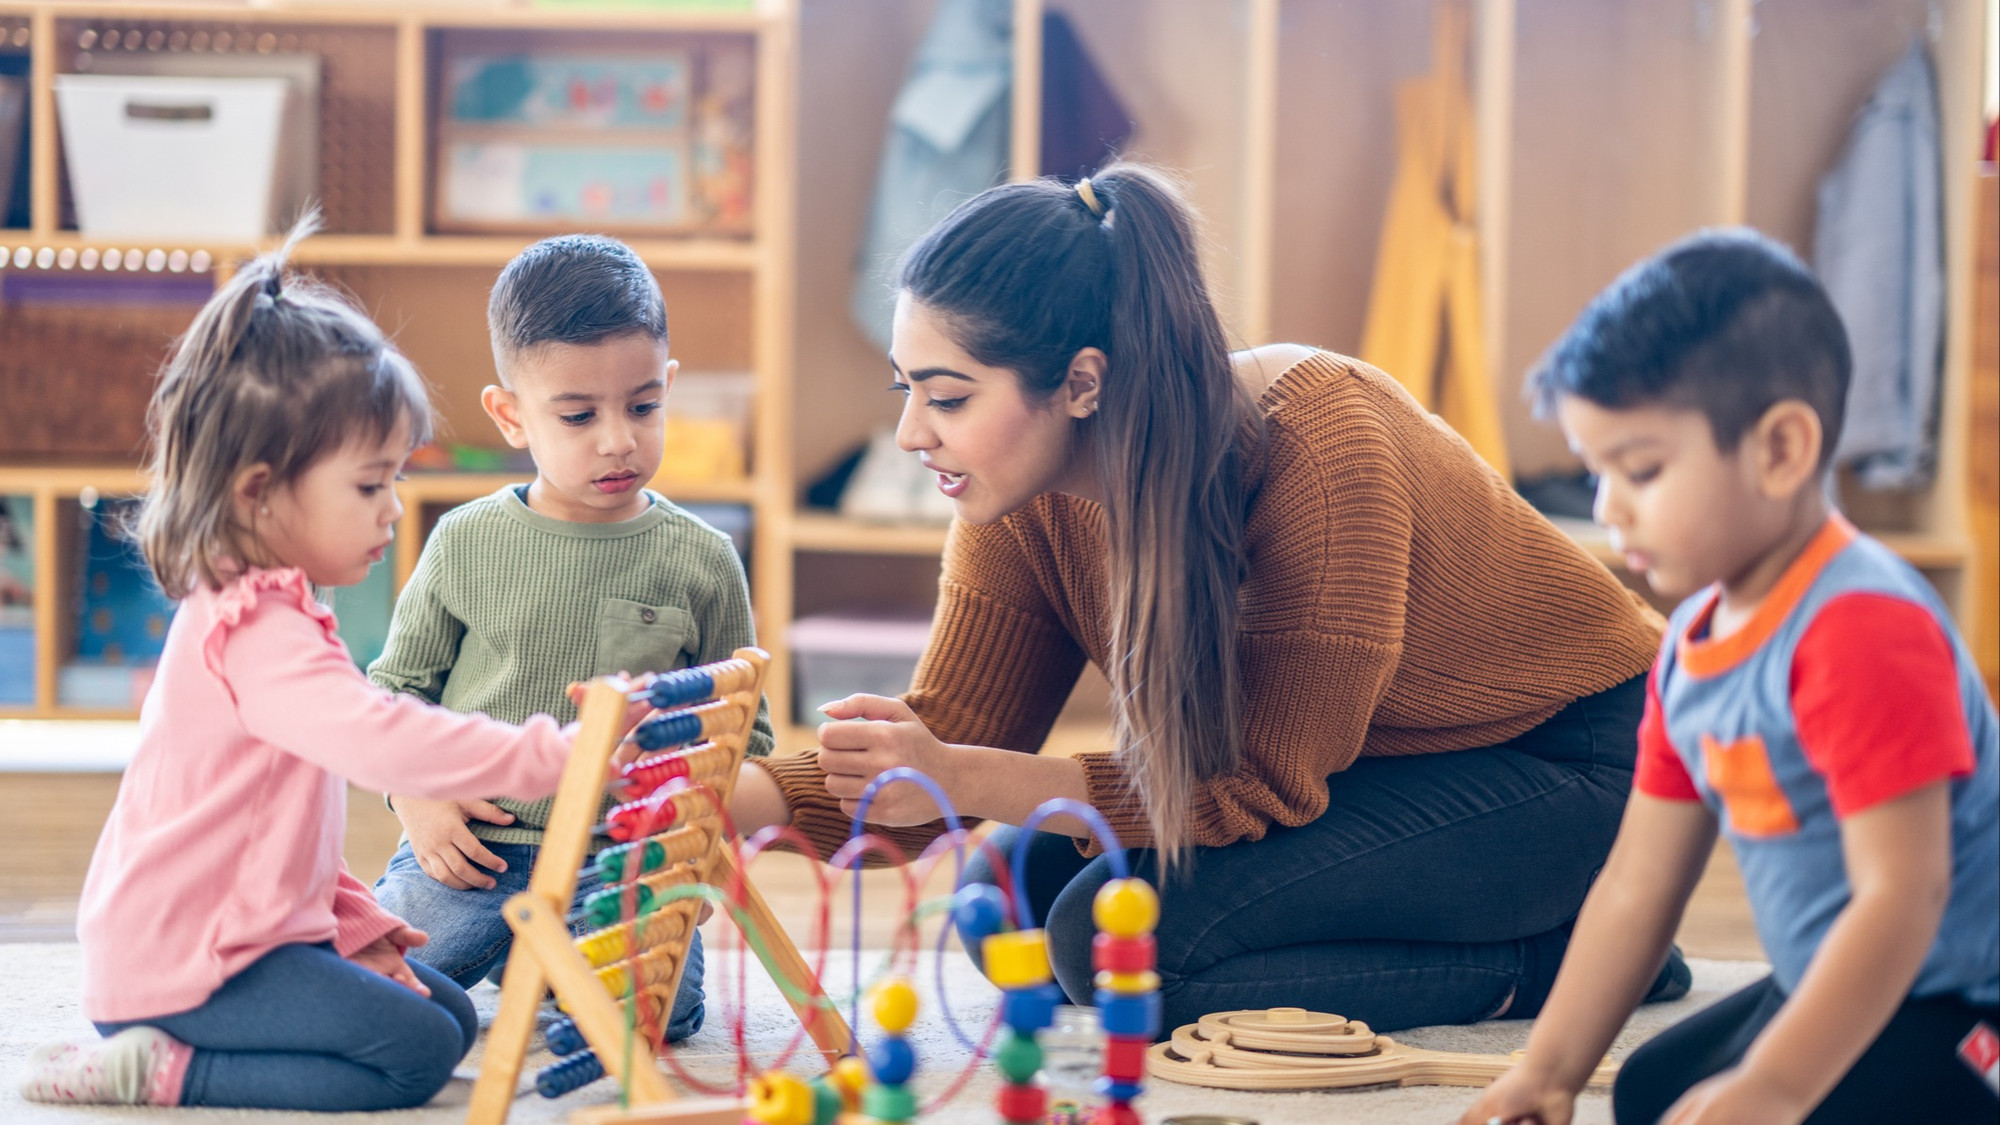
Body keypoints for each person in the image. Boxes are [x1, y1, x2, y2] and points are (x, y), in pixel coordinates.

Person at [730, 162, 1681, 1033]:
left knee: (1123, 955)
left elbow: (1253, 785)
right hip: (1373, 760)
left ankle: (1568, 958)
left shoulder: (1321, 451)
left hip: (1579, 760)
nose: (907, 434)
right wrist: (736, 800)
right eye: (907, 390)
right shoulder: (1019, 498)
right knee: (1009, 904)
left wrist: (962, 775)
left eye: (947, 398)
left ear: (1081, 382)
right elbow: (943, 742)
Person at [19, 216, 640, 1111]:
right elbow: (382, 741)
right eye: (368, 484)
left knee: (453, 1015)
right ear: (260, 492)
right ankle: (157, 1069)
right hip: (188, 964)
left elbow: (276, 827)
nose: (393, 509)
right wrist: (558, 754)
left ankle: (212, 1033)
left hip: (249, 935)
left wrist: (355, 926)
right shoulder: (253, 630)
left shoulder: (278, 605)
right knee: (418, 1054)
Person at [1459, 231, 1999, 1125]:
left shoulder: (1862, 627)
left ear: (1781, 449)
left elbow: (1906, 895)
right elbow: (1638, 878)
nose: (1607, 506)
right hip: (1833, 974)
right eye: (1597, 472)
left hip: (1960, 1002)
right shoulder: (1694, 641)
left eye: (1641, 469)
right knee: (1653, 1092)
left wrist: (1778, 1088)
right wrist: (1546, 1072)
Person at [369, 234, 772, 1042]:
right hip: (474, 850)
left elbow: (747, 736)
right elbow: (390, 694)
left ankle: (541, 963)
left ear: (669, 389)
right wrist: (416, 796)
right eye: (579, 414)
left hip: (622, 865)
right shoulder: (464, 540)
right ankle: (521, 953)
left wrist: (680, 823)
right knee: (369, 990)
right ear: (510, 414)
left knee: (656, 1018)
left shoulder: (705, 559)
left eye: (643, 405)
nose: (618, 438)